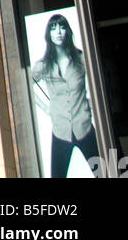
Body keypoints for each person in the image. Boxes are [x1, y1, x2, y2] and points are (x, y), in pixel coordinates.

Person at [31, 13, 99, 178]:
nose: (58, 32)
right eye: (53, 28)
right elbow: (25, 85)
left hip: (84, 127)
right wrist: (45, 107)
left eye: (62, 27)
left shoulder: (82, 59)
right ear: (49, 34)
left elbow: (97, 82)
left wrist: (91, 103)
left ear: (67, 31)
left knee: (107, 172)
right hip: (60, 132)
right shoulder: (43, 65)